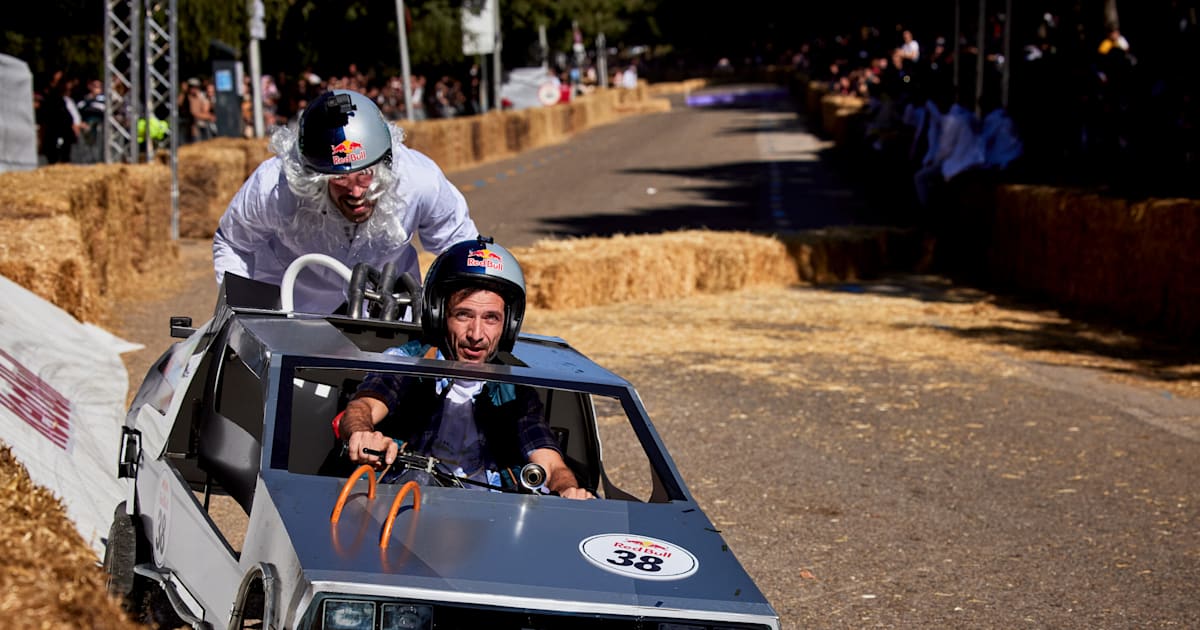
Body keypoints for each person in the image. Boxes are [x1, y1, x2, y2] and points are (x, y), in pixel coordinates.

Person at [335, 237, 594, 500]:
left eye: (491, 318)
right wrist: (362, 434)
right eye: (464, 315)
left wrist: (568, 489)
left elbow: (551, 465)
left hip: (490, 512)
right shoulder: (407, 363)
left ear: (508, 326)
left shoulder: (515, 390)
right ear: (439, 314)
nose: (476, 334)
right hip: (408, 504)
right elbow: (362, 407)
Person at [212, 88, 478, 314]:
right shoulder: (274, 187)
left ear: (385, 164)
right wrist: (243, 315)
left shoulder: (419, 180)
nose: (356, 192)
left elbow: (461, 247)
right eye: (339, 179)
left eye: (365, 174)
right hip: (292, 309)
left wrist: (458, 317)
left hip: (387, 309)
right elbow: (233, 242)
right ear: (313, 177)